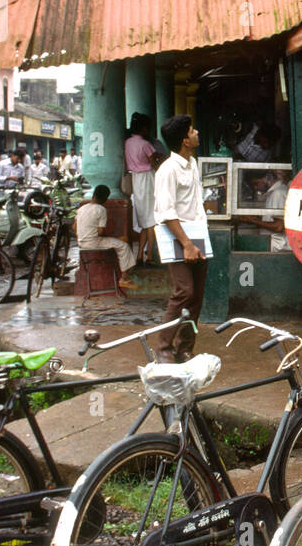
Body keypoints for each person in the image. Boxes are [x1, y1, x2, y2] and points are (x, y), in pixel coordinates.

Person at [153, 115, 211, 363]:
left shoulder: (193, 163)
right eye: (192, 130)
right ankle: (163, 347)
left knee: (196, 294)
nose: (196, 131)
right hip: (176, 235)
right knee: (183, 291)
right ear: (185, 140)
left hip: (197, 232)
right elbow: (167, 212)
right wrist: (186, 244)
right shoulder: (167, 169)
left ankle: (185, 347)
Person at [75, 185, 136, 289]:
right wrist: (115, 239)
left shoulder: (82, 208)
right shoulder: (101, 209)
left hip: (80, 242)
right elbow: (101, 232)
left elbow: (74, 227)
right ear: (105, 199)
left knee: (117, 242)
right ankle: (124, 277)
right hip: (93, 242)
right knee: (123, 245)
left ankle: (125, 276)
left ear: (93, 195)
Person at [124, 112, 159, 267]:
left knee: (145, 220)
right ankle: (149, 256)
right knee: (152, 221)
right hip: (148, 179)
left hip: (136, 180)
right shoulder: (145, 144)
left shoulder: (128, 143)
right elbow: (154, 163)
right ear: (144, 128)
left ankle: (140, 256)